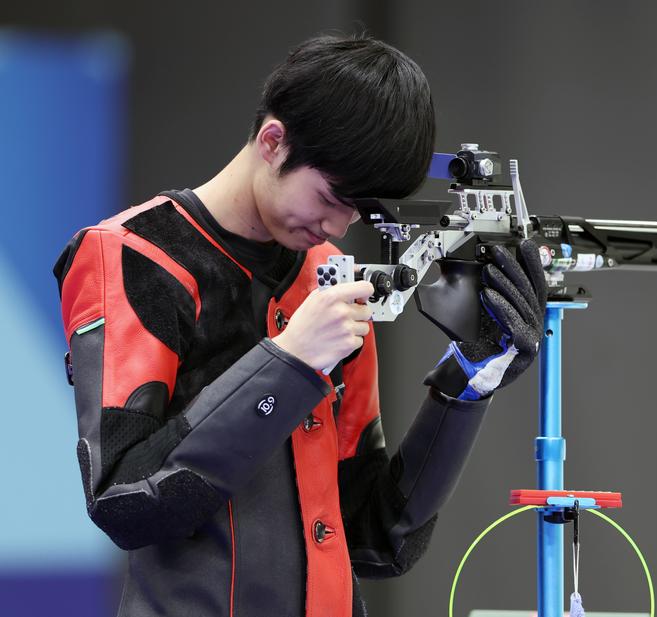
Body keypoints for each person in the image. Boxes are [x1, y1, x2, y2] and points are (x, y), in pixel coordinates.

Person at [54, 34, 547, 617]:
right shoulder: (131, 255)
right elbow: (125, 500)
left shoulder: (328, 274)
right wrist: (289, 362)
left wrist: (466, 385)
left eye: (360, 212)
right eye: (332, 197)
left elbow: (375, 537)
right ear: (273, 140)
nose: (339, 227)